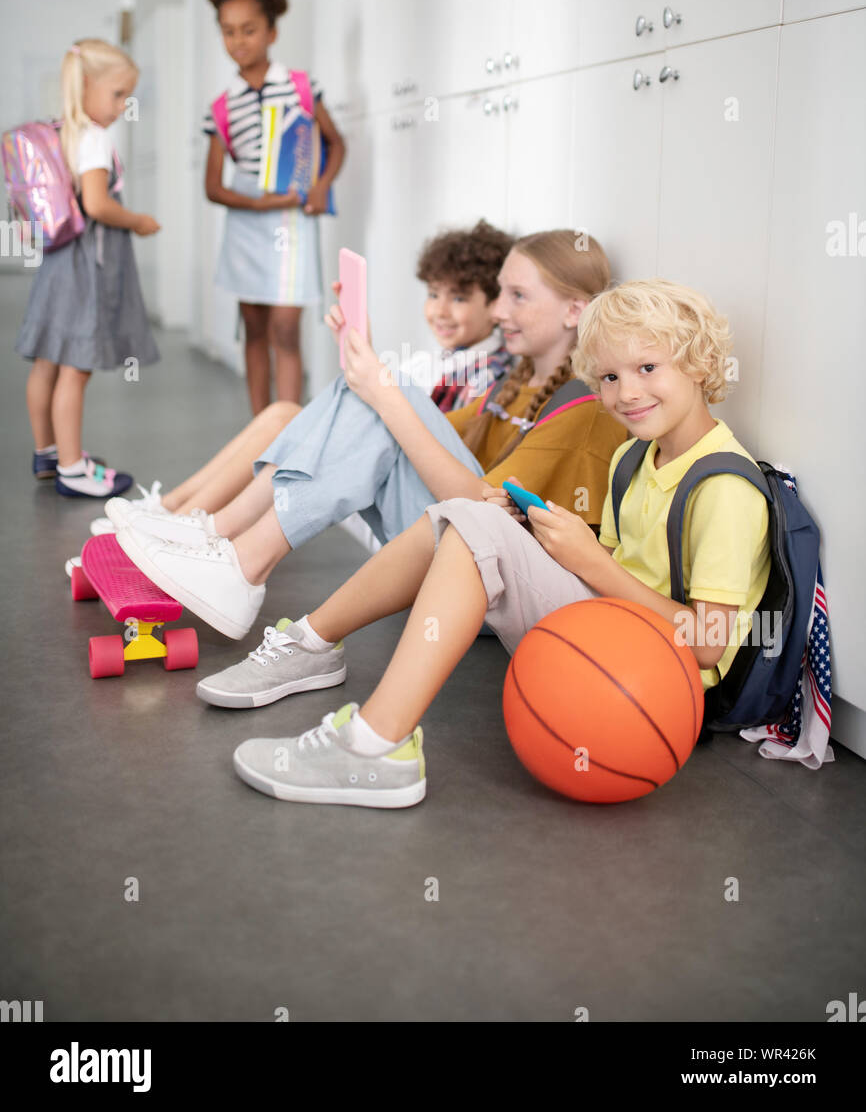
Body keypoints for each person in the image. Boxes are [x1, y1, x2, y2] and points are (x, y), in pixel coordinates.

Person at [218, 279, 773, 809]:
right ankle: (312, 644)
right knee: (462, 512)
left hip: (654, 680)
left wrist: (587, 561)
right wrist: (546, 535)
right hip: (612, 630)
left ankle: (374, 745)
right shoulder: (636, 456)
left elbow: (705, 645)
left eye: (647, 368)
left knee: (473, 524)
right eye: (607, 377)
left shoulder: (724, 488)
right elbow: (625, 566)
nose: (625, 392)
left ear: (699, 364)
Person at [112, 231, 627, 643]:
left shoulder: (582, 411)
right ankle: (220, 544)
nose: (497, 312)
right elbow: (417, 440)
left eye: (517, 296)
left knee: (384, 391)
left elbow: (482, 512)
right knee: (375, 393)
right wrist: (372, 382)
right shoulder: (518, 384)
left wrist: (382, 391)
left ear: (574, 310)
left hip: (490, 581)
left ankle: (227, 549)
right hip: (460, 554)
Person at [88, 218, 516, 537]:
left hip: (417, 500)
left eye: (459, 298)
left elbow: (421, 439)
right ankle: (172, 512)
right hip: (395, 480)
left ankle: (192, 526)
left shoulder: (487, 378)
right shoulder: (432, 362)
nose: (440, 310)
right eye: (434, 294)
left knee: (298, 414)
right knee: (283, 413)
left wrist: (372, 381)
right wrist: (360, 349)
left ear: (494, 306)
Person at [16, 39, 159, 498]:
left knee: (47, 362)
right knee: (77, 367)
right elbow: (96, 204)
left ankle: (49, 453)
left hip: (58, 265)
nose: (122, 106)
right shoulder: (94, 138)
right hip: (88, 270)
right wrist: (137, 221)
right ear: (87, 85)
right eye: (118, 94)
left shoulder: (62, 132)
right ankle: (74, 469)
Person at [203, 0, 345, 411]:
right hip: (247, 219)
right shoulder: (222, 107)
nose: (238, 40)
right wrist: (260, 203)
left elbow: (336, 143)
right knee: (254, 327)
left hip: (292, 221)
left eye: (249, 29)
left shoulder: (300, 87)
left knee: (286, 326)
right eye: (229, 31)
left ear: (271, 33)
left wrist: (320, 187)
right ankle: (260, 428)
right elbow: (213, 187)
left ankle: (288, 428)